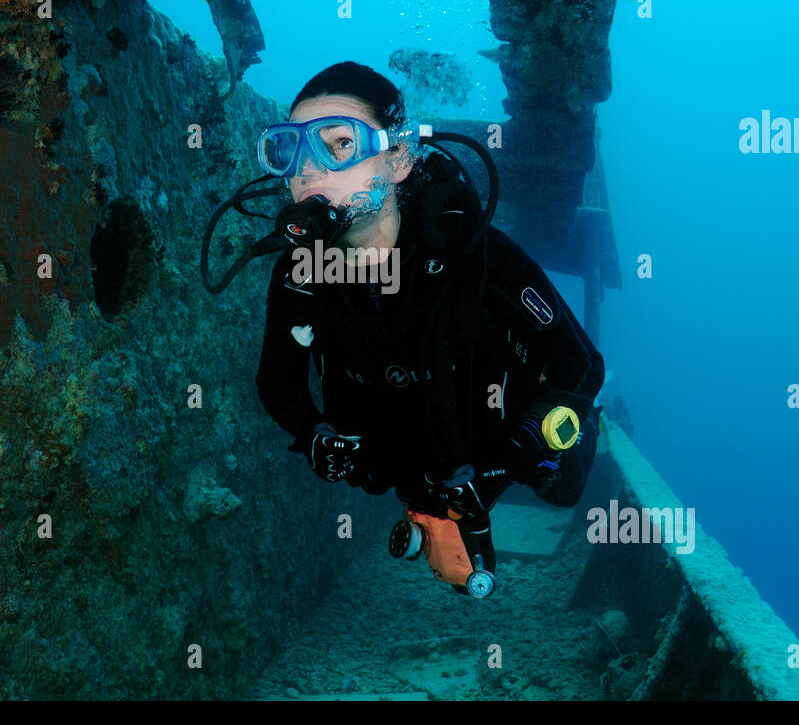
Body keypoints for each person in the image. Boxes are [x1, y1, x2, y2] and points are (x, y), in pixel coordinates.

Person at [254, 62, 605, 589]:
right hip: (401, 461)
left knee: (563, 486)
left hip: (501, 443)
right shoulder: (301, 272)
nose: (307, 171)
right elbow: (276, 382)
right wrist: (312, 435)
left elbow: (581, 365)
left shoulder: (474, 254)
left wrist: (516, 453)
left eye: (339, 145)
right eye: (289, 149)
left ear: (397, 160)